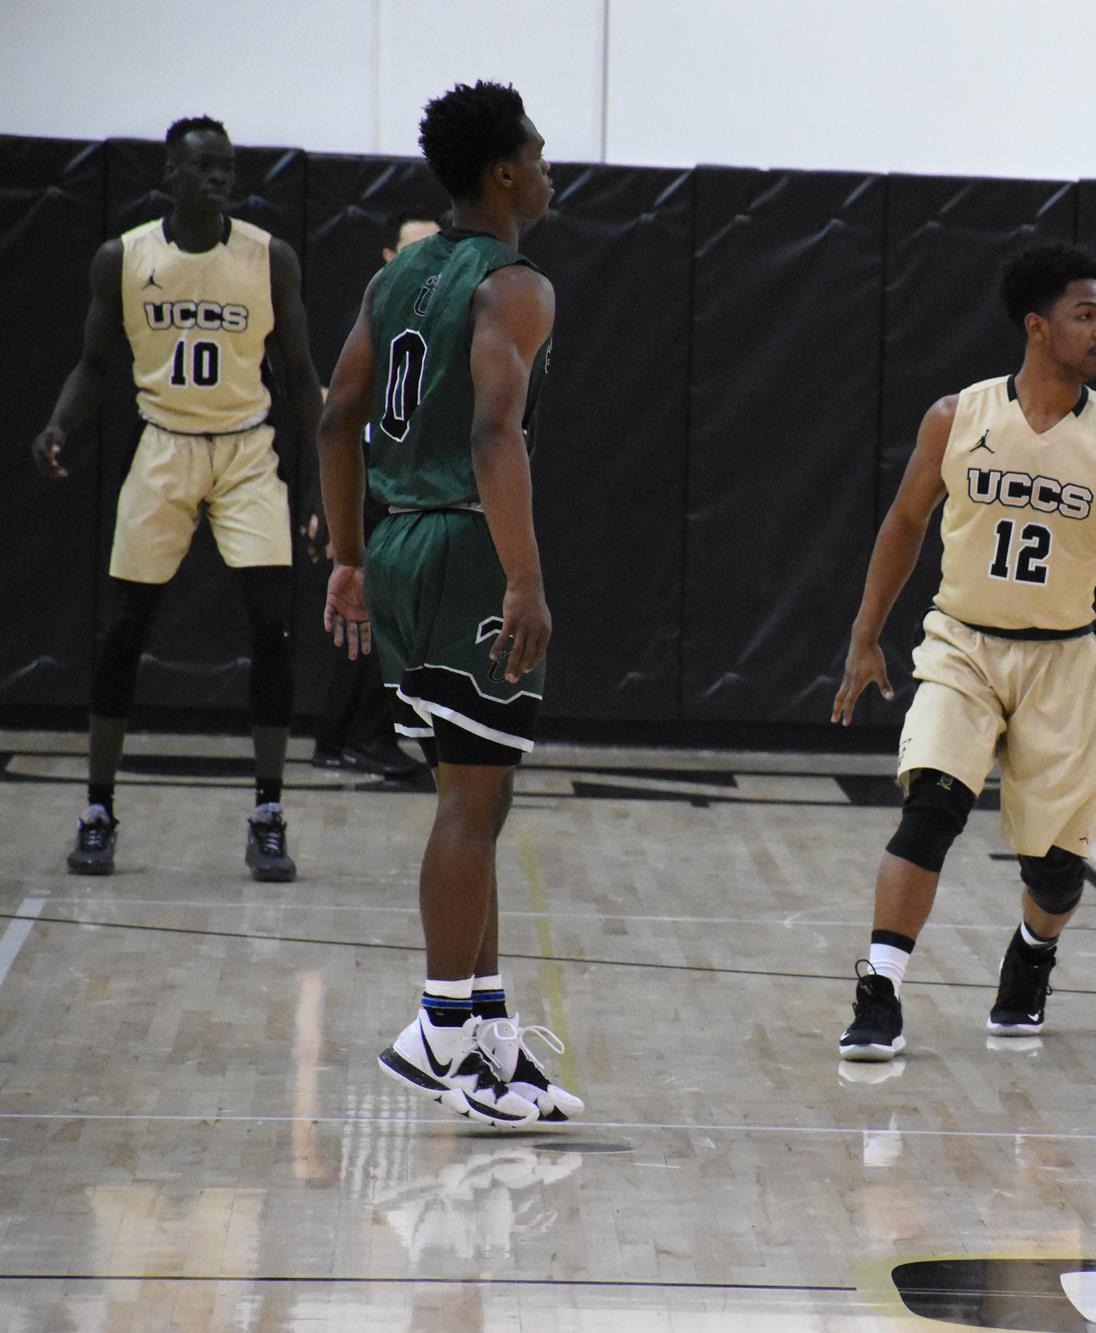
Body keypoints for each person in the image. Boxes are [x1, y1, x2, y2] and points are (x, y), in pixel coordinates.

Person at [832, 242, 1096, 1060]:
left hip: (1062, 661)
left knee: (1057, 869)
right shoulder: (956, 417)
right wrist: (864, 635)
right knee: (930, 808)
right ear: (1038, 328)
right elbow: (903, 523)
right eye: (1085, 315)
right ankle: (880, 987)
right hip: (961, 645)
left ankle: (1031, 957)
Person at [318, 81, 580, 1126]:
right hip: (467, 549)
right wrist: (522, 575)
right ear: (505, 172)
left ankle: (487, 1044)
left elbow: (336, 413)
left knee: (475, 801)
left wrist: (346, 556)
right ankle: (437, 1027)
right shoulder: (514, 283)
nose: (553, 169)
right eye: (542, 152)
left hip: (392, 545)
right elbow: (492, 435)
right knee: (471, 807)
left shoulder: (399, 276)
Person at [32, 116, 323, 882]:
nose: (218, 178)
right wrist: (61, 422)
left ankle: (267, 811)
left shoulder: (269, 258)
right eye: (202, 167)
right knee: (124, 628)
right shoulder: (124, 258)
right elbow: (95, 363)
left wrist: (325, 484)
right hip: (162, 445)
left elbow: (300, 376)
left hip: (246, 450)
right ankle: (97, 808)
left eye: (227, 167)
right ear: (169, 172)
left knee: (273, 629)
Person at [311, 210, 441, 780]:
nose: (421, 261)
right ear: (389, 259)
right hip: (371, 484)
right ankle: (361, 736)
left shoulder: (443, 319)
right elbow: (330, 415)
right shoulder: (370, 317)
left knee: (378, 622)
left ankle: (341, 738)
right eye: (411, 249)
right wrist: (324, 503)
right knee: (371, 616)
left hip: (405, 485)